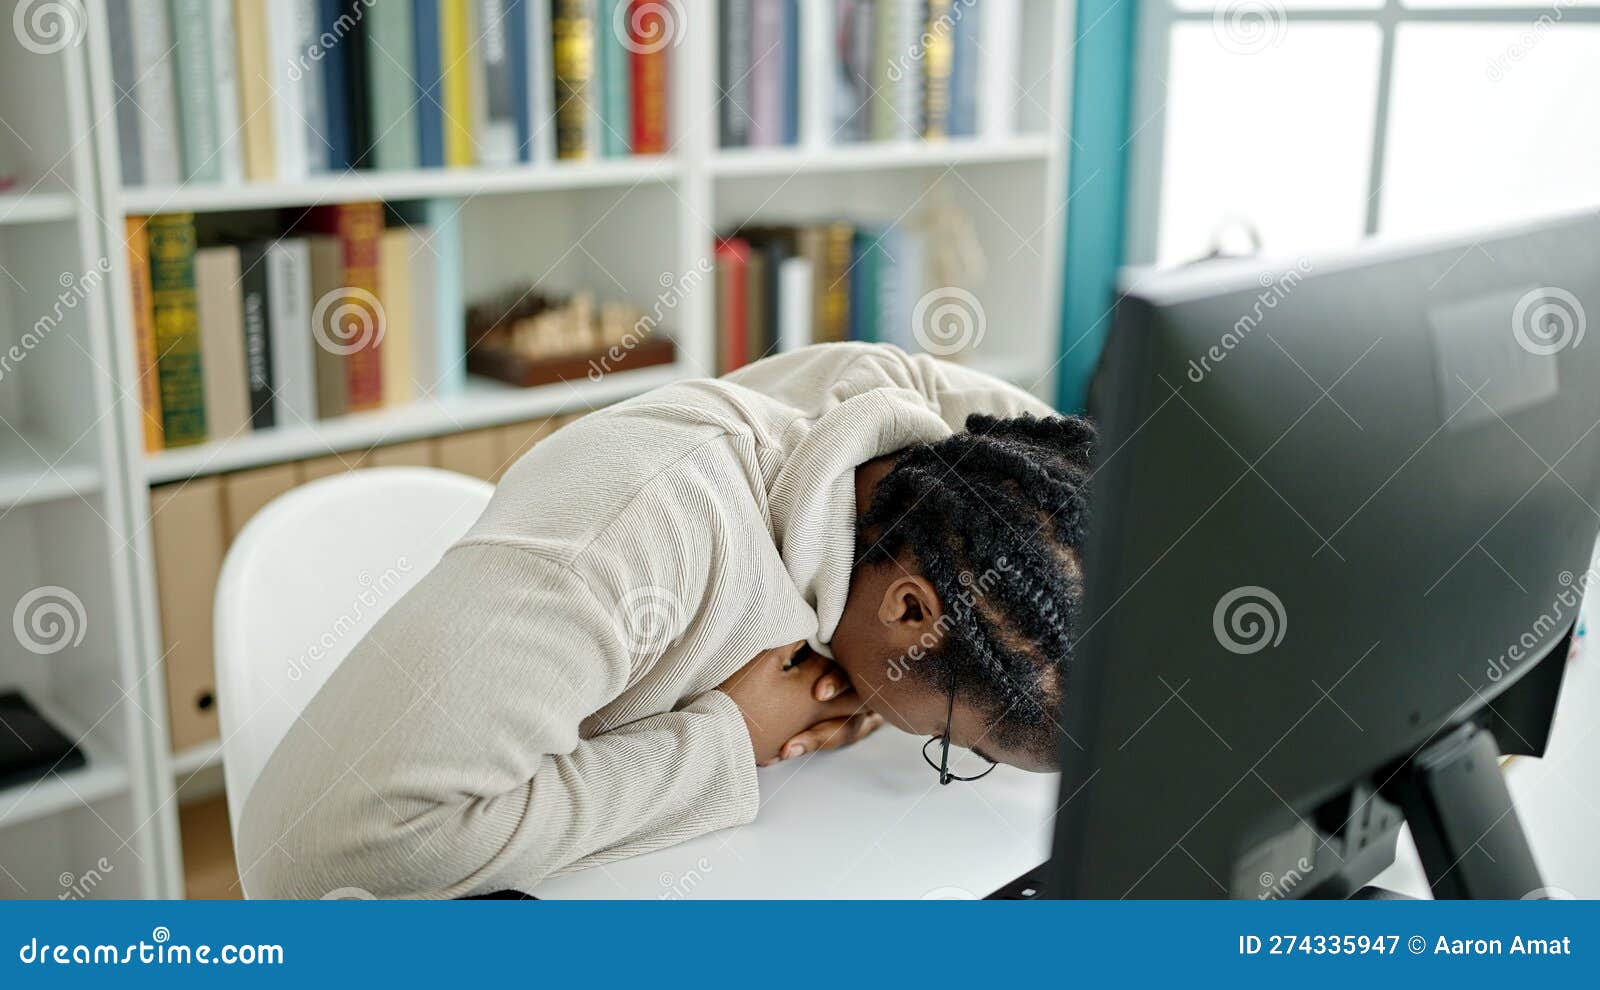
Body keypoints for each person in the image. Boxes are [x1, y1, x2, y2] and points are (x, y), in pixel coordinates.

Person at [238, 343, 1094, 898]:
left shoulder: (922, 445)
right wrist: (728, 740)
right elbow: (329, 860)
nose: (939, 748)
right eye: (962, 750)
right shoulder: (642, 536)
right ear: (911, 611)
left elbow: (1084, 474)